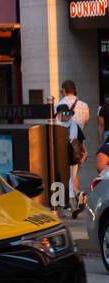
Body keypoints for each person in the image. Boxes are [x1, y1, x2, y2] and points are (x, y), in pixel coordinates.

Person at [59, 80, 92, 216]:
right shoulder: (84, 106)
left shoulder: (60, 104)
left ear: (64, 90)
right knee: (73, 175)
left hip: (63, 145)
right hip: (78, 145)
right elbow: (85, 122)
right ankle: (75, 198)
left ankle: (69, 202)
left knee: (62, 177)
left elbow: (58, 125)